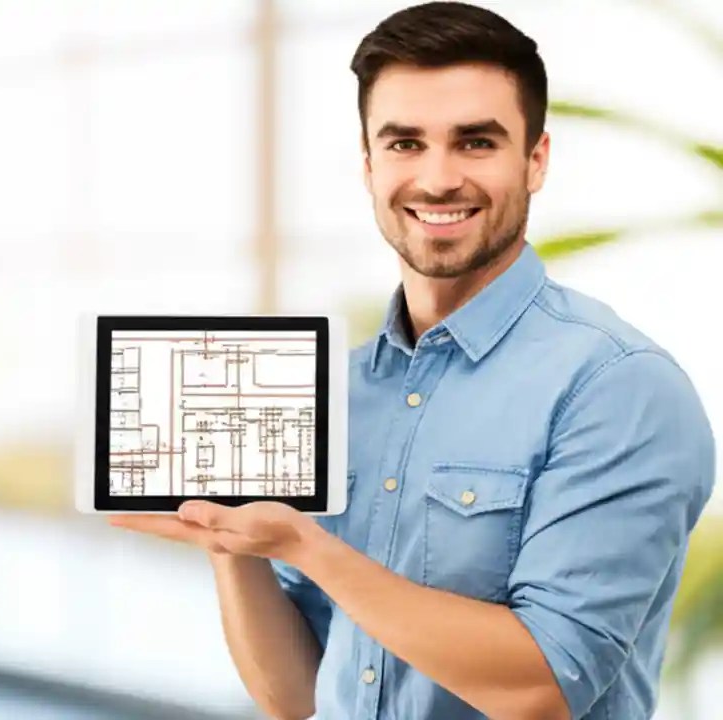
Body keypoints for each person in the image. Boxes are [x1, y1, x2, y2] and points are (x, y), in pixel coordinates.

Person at [108, 2, 717, 718]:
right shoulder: (344, 388)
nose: (437, 179)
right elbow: (297, 694)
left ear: (537, 160)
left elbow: (541, 687)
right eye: (404, 144)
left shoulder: (619, 388)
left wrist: (307, 546)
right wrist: (231, 545)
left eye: (476, 142)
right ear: (368, 165)